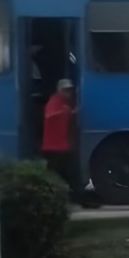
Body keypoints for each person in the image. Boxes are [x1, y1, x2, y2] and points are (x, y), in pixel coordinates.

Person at [42, 78, 100, 208]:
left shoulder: (64, 103)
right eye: (66, 90)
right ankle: (80, 200)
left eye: (69, 90)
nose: (68, 93)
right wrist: (68, 112)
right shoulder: (55, 102)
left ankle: (76, 199)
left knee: (64, 175)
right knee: (68, 175)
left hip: (61, 146)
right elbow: (50, 115)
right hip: (55, 147)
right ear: (59, 91)